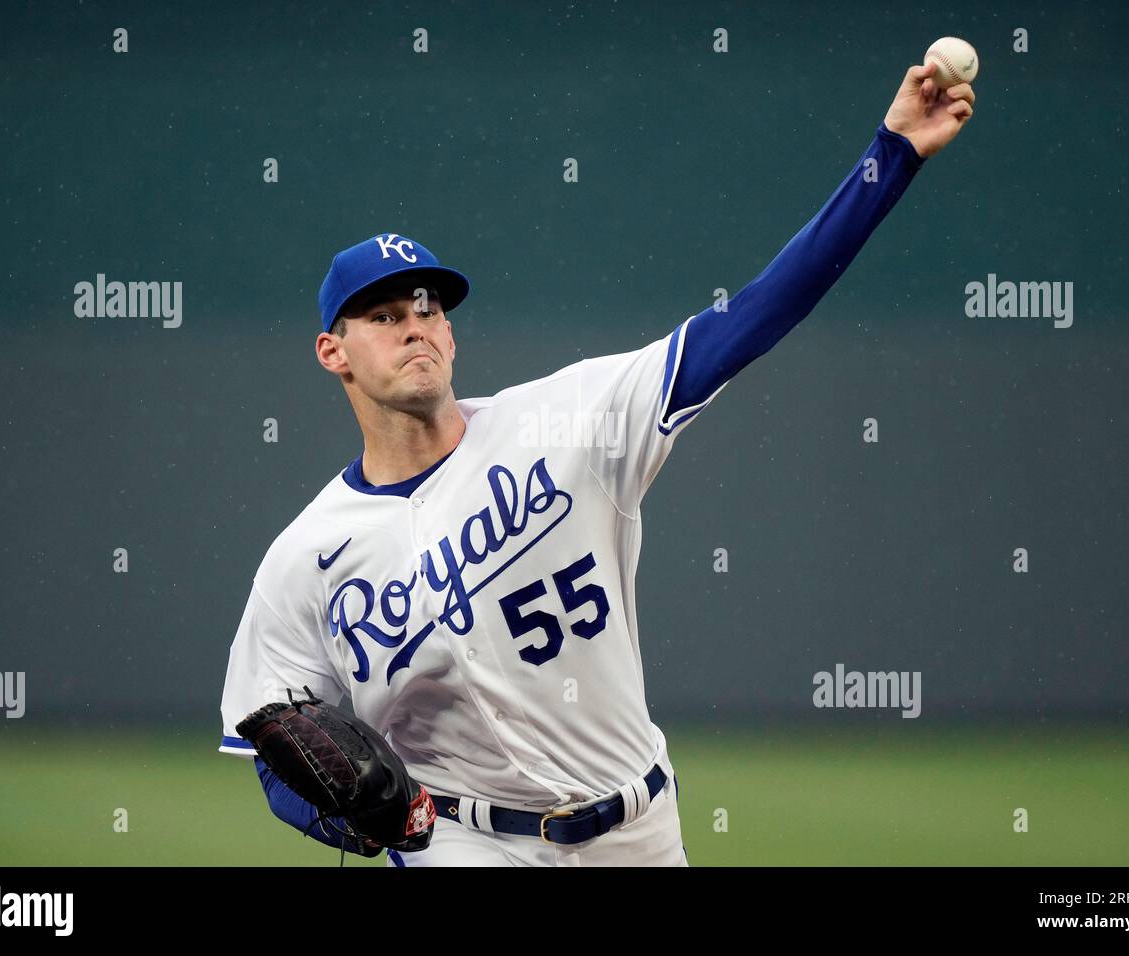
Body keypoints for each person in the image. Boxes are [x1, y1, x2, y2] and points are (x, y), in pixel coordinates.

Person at [217, 61, 975, 866]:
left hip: (638, 831)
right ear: (332, 351)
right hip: (464, 843)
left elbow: (755, 313)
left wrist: (890, 156)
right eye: (383, 315)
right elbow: (276, 746)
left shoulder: (568, 421)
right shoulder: (306, 559)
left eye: (428, 309)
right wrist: (353, 824)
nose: (416, 327)